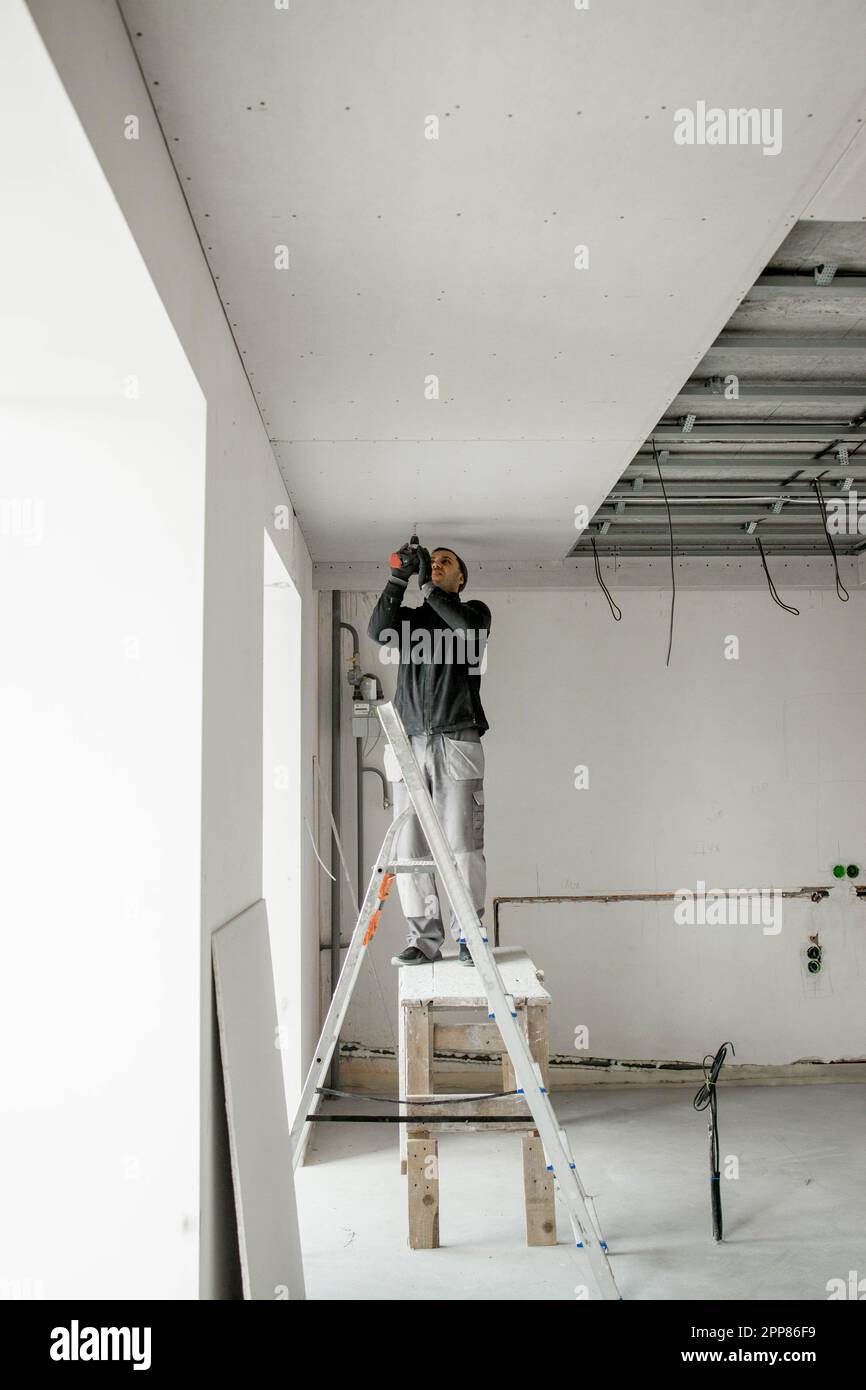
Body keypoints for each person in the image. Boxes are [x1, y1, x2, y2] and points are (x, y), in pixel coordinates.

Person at [367, 541, 491, 966]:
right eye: (432, 561)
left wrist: (430, 587)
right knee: (411, 848)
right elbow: (378, 631)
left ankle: (470, 939)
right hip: (408, 741)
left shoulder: (473, 614)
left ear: (461, 578)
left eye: (445, 563)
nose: (436, 566)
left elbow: (468, 630)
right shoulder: (413, 622)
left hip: (456, 741)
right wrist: (399, 576)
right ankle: (423, 941)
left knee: (462, 846)